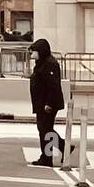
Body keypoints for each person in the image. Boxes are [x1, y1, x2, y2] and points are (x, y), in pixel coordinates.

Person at [27, 38, 65, 167]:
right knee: (44, 129)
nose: (32, 55)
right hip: (41, 103)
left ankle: (50, 155)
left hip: (47, 104)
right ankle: (55, 151)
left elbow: (53, 85)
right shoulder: (42, 62)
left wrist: (49, 103)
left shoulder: (49, 64)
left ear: (41, 51)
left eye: (34, 52)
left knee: (45, 129)